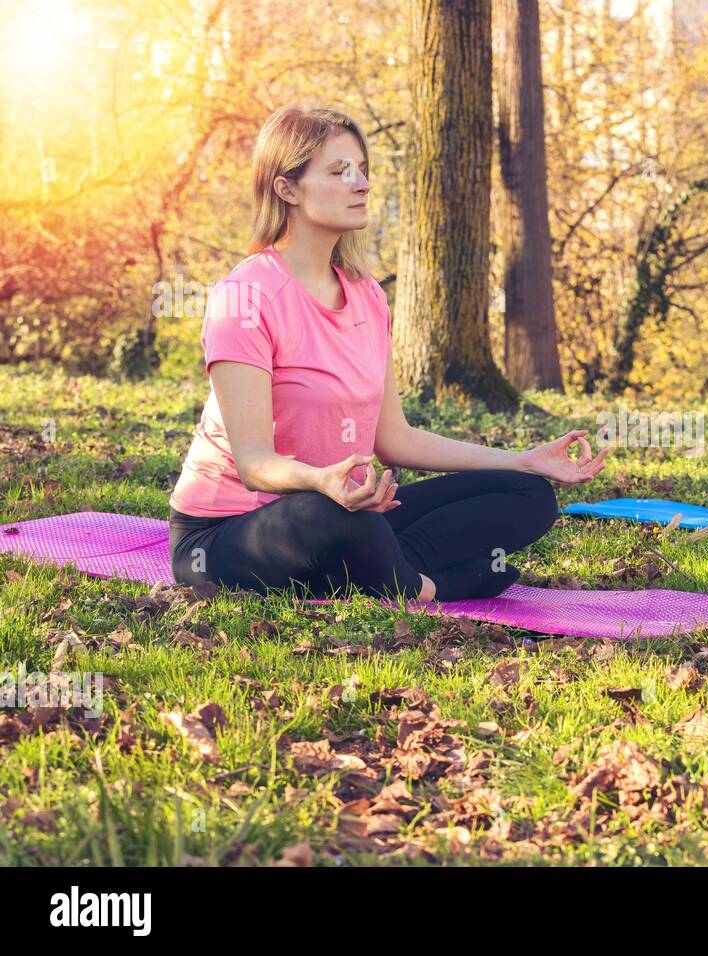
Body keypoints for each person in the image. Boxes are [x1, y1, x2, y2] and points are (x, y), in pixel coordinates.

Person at [168, 105, 607, 603]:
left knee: (526, 496)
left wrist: (524, 461)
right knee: (341, 521)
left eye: (361, 170)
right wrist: (320, 480)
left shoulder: (367, 297)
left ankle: (370, 570)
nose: (361, 184)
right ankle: (427, 586)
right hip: (231, 531)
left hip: (346, 512)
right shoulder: (244, 298)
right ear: (286, 189)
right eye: (339, 171)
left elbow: (393, 439)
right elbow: (253, 464)